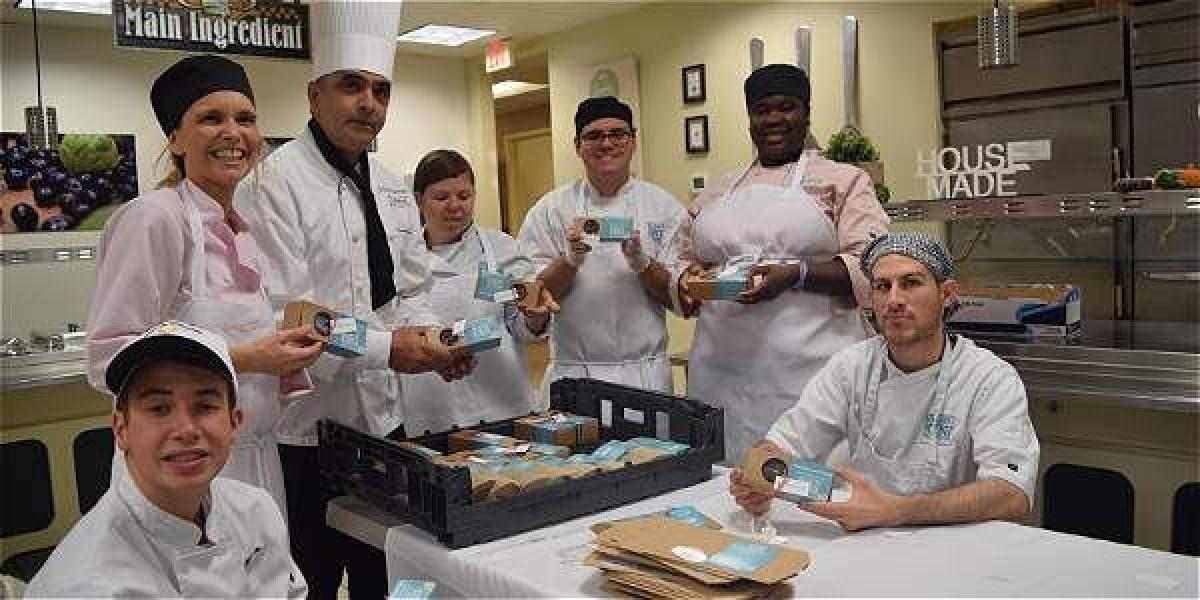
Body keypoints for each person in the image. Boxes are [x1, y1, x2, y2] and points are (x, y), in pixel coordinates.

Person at [234, 2, 472, 597]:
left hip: (385, 429)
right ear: (315, 95)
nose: (369, 102)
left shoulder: (391, 187)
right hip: (307, 438)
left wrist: (434, 341)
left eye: (381, 91)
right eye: (352, 86)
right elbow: (292, 315)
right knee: (310, 582)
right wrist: (390, 349)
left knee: (385, 577)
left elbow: (408, 288)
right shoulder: (273, 183)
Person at [86, 54, 323, 514]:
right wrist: (249, 358)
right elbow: (108, 358)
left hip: (254, 460)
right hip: (179, 468)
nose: (234, 133)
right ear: (175, 139)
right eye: (211, 118)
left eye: (246, 119)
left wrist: (286, 349)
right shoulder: (155, 217)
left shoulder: (240, 228)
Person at [729, 232, 1039, 531]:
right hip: (863, 537)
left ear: (946, 294)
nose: (894, 300)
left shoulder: (988, 378)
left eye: (910, 283)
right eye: (881, 287)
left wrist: (899, 511)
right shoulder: (851, 367)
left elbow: (1012, 494)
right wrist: (759, 481)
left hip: (953, 543)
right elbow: (783, 444)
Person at [676, 64, 891, 464]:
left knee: (811, 487)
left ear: (806, 112)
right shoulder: (718, 191)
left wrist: (796, 275)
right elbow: (682, 262)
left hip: (811, 376)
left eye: (786, 107)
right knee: (728, 486)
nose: (774, 119)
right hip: (721, 374)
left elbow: (875, 264)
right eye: (761, 110)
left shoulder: (843, 181)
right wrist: (692, 281)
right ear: (749, 119)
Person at [27, 322, 306, 597]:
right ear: (121, 430)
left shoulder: (256, 511)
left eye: (205, 406)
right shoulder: (89, 586)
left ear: (234, 423)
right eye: (159, 408)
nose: (186, 430)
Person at [518, 96, 686, 398]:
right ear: (578, 145)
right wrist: (568, 261)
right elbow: (533, 298)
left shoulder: (663, 208)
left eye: (617, 134)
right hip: (574, 372)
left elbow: (681, 301)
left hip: (644, 375)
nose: (606, 143)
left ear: (633, 140)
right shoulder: (550, 210)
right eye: (594, 135)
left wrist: (643, 264)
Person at [403, 149, 559, 435]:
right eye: (441, 197)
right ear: (418, 200)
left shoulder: (502, 249)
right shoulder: (400, 257)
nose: (455, 206)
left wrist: (535, 318)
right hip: (430, 410)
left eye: (464, 196)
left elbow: (523, 326)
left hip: (503, 406)